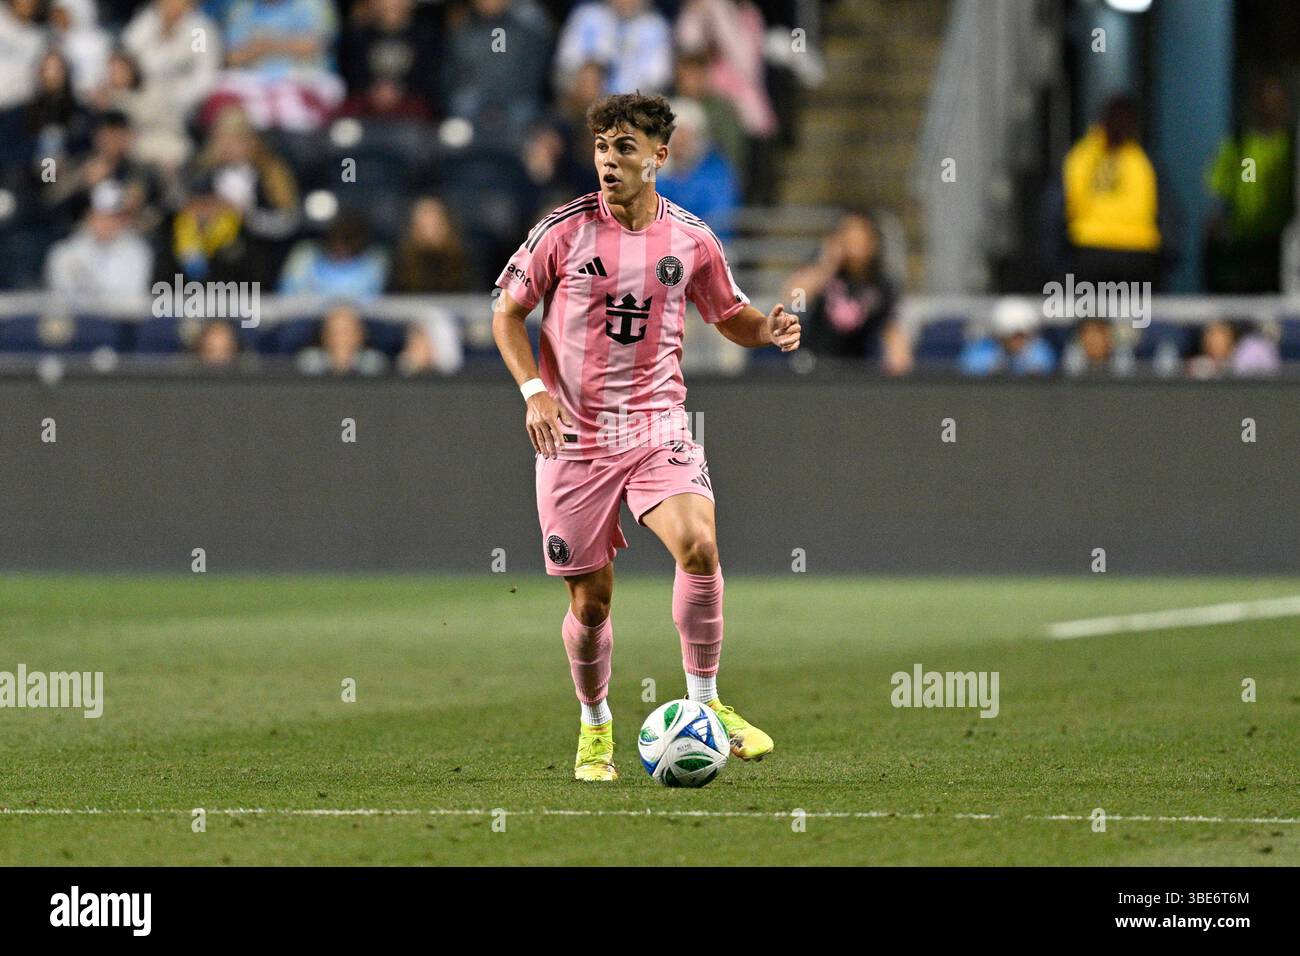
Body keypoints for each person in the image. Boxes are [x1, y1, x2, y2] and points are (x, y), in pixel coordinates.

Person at [492, 92, 800, 782]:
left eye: (624, 148)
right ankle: (595, 725)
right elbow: (506, 316)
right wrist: (534, 392)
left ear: (659, 157)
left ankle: (707, 702)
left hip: (658, 423)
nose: (609, 161)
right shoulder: (562, 232)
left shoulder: (691, 239)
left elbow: (730, 314)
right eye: (602, 148)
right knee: (591, 602)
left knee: (699, 545)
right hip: (573, 439)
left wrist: (768, 329)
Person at [785, 209, 910, 372]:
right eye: (848, 235)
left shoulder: (881, 284)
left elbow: (892, 330)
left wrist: (900, 364)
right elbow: (793, 299)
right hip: (812, 364)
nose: (855, 242)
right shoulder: (823, 270)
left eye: (861, 236)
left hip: (856, 369)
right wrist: (828, 265)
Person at [1204, 76, 1295, 293]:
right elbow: (1218, 188)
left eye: (1275, 101)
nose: (1269, 107)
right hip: (1243, 242)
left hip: (1280, 242)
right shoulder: (1239, 145)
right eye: (1264, 101)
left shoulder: (1290, 146)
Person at [1062, 95, 1162, 288]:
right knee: (1131, 315)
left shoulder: (1082, 154)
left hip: (1090, 246)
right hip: (1136, 250)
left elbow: (1071, 199)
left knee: (1091, 313)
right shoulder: (1138, 158)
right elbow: (1152, 205)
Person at [958, 296, 1055, 376]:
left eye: (1022, 336)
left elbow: (1044, 367)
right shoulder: (981, 350)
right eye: (1012, 336)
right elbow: (969, 367)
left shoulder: (1039, 350)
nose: (1017, 341)